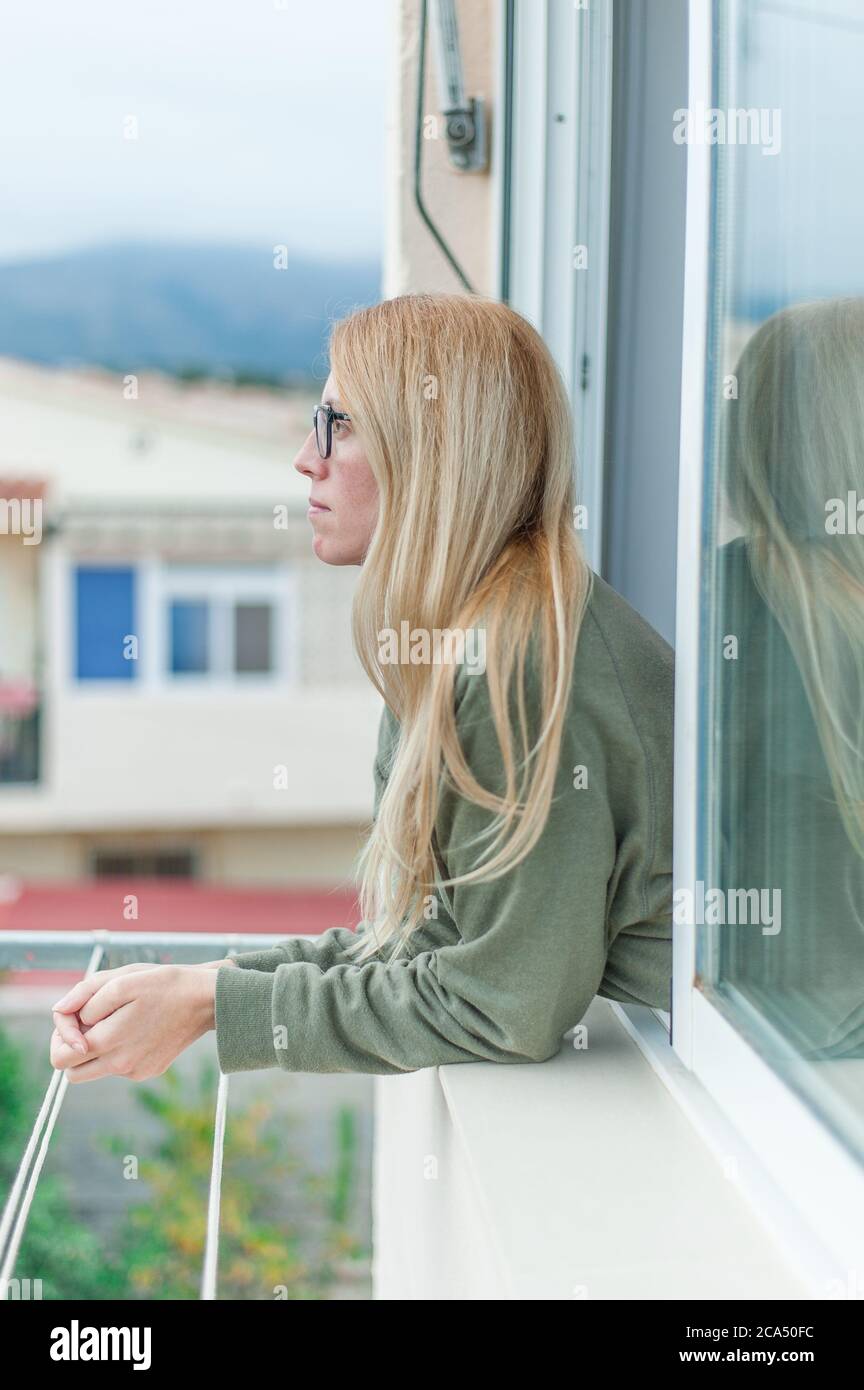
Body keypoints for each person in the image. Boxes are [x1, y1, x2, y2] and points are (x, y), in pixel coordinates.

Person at [49, 293, 674, 1081]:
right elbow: (444, 938)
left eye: (337, 426)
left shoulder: (514, 665)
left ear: (433, 450)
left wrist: (214, 1008)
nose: (307, 459)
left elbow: (499, 1004)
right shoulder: (478, 632)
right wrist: (199, 990)